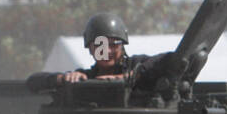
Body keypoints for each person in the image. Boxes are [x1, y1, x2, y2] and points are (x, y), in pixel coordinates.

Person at [27, 13, 173, 91]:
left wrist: (132, 76)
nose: (107, 51)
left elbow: (175, 59)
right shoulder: (85, 78)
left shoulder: (137, 65)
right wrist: (63, 79)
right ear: (89, 48)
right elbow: (33, 81)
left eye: (113, 44)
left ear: (122, 45)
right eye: (100, 45)